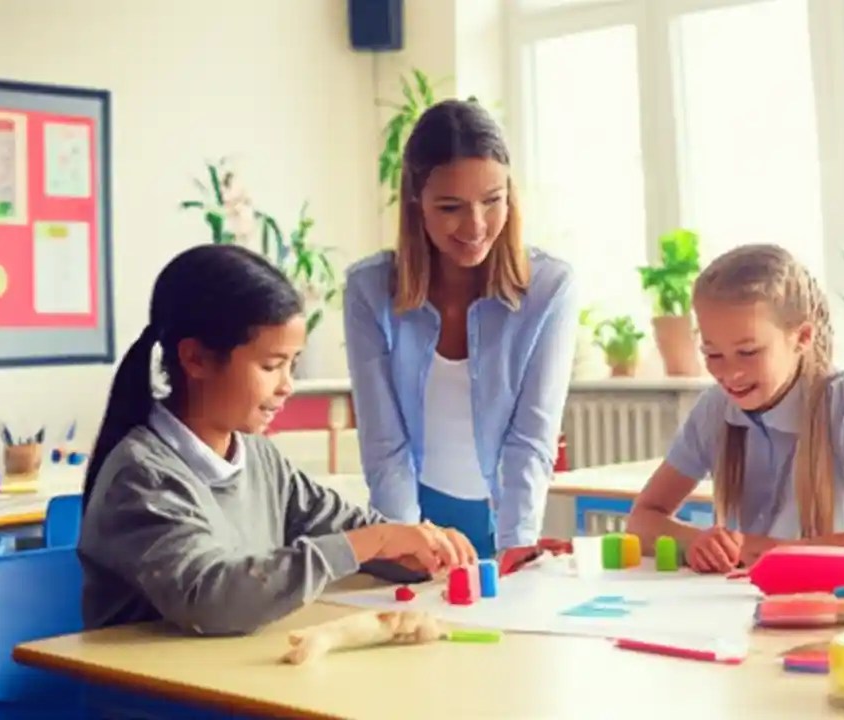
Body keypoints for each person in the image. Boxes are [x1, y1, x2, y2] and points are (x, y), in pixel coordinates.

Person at [78, 244, 476, 636]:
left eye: (292, 365)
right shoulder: (139, 478)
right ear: (195, 359)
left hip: (236, 678)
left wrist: (413, 549)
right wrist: (372, 541)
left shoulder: (258, 457)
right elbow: (212, 599)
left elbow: (338, 526)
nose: (288, 386)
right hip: (148, 694)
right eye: (271, 365)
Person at [343, 99, 579, 571]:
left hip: (502, 516)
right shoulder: (369, 289)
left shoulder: (550, 287)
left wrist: (517, 539)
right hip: (412, 516)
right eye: (450, 207)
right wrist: (405, 539)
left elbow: (531, 435)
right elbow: (384, 442)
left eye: (493, 201)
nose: (475, 227)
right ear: (416, 203)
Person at [625, 244, 844, 573]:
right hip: (753, 599)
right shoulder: (714, 409)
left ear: (801, 337)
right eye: (713, 354)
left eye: (748, 352)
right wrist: (696, 541)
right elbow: (642, 520)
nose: (730, 373)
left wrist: (779, 552)